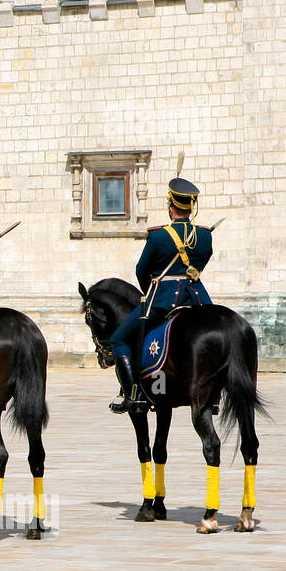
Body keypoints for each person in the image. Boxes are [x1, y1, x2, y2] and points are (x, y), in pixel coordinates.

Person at [108, 174, 212, 413]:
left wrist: (151, 291)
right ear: (190, 207)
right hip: (197, 299)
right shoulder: (205, 235)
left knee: (118, 339)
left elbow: (141, 270)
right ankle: (213, 396)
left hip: (163, 299)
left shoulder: (158, 235)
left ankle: (133, 393)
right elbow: (200, 265)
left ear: (170, 206)